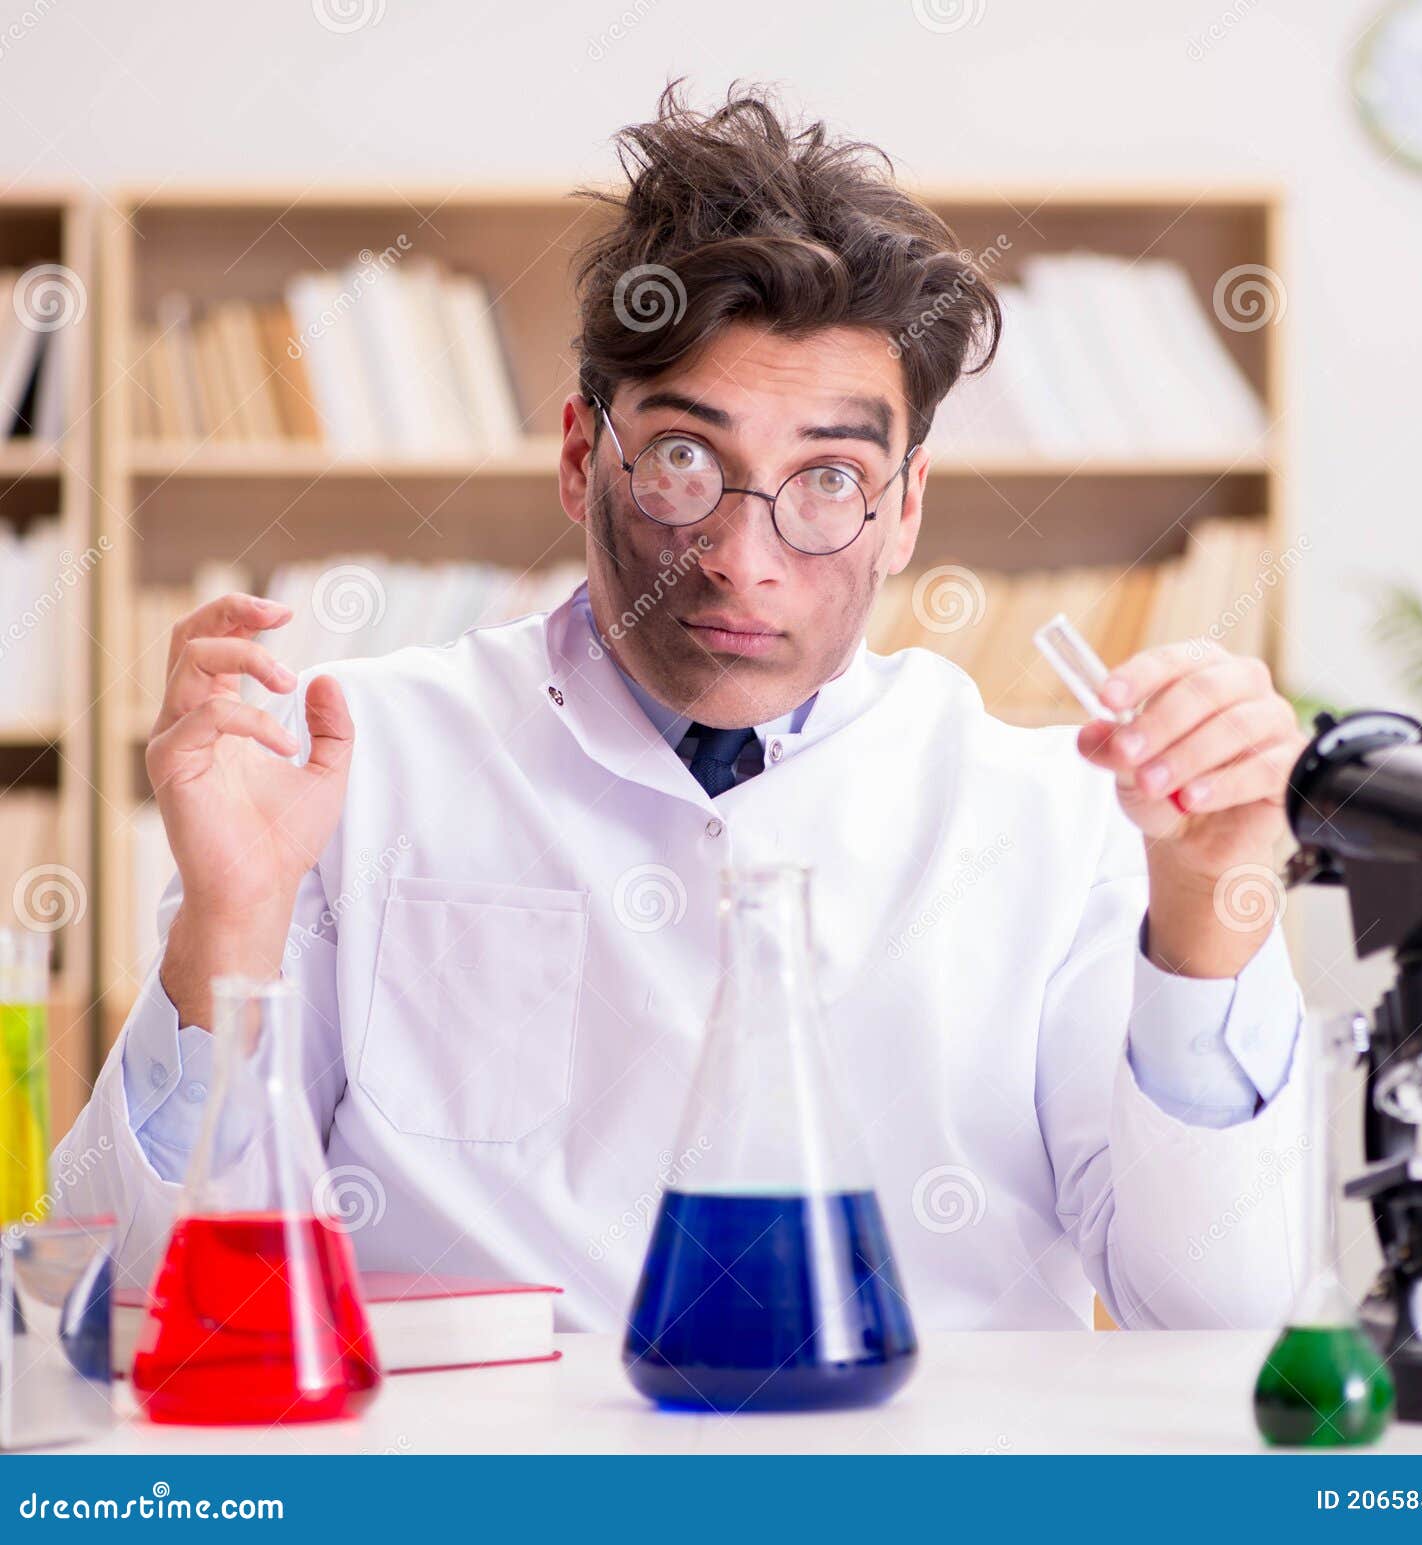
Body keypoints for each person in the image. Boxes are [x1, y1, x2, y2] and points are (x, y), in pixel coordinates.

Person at [60, 83, 1310, 1332]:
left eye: (828, 479)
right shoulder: (352, 765)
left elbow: (1213, 1318)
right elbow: (128, 1300)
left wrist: (1205, 923)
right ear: (576, 455)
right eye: (682, 461)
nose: (741, 557)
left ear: (908, 503)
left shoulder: (1054, 816)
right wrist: (229, 923)